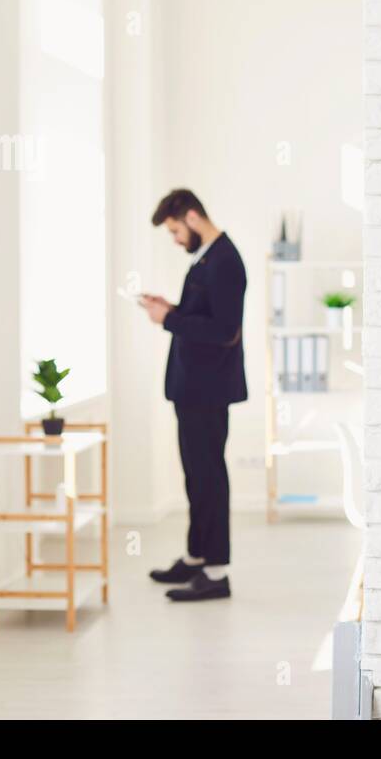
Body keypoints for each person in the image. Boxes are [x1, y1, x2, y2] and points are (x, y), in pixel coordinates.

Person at [141, 188, 248, 602]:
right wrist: (171, 309)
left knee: (209, 477)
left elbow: (224, 332)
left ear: (190, 217)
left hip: (208, 390)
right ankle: (197, 556)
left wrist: (168, 318)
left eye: (174, 231)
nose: (175, 239)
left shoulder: (223, 261)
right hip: (193, 388)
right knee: (196, 475)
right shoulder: (207, 258)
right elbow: (203, 317)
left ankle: (217, 573)